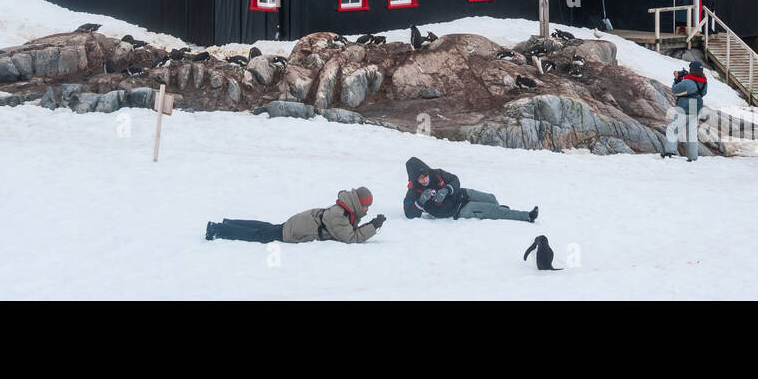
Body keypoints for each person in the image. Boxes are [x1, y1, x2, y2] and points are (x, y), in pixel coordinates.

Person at [205, 187, 384, 243]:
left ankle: (227, 223)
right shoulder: (340, 215)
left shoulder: (344, 209)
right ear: (358, 203)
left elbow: (348, 229)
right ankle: (217, 230)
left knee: (266, 227)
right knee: (260, 235)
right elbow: (350, 238)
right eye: (366, 206)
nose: (367, 209)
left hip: (299, 223)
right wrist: (373, 227)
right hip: (295, 231)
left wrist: (369, 224)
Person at [401, 157, 538, 222]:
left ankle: (500, 211)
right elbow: (409, 214)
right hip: (458, 209)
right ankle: (527, 216)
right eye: (421, 179)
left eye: (425, 176)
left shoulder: (436, 173)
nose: (425, 180)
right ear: (414, 180)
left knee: (491, 198)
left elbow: (455, 179)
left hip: (462, 194)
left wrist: (447, 190)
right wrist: (421, 201)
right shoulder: (413, 192)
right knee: (495, 210)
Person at [663, 60, 707, 162]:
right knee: (692, 133)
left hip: (685, 107)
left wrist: (676, 79)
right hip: (697, 107)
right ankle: (692, 157)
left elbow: (675, 90)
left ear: (692, 69)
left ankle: (670, 151)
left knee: (673, 128)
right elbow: (703, 93)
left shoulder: (687, 81)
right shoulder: (704, 81)